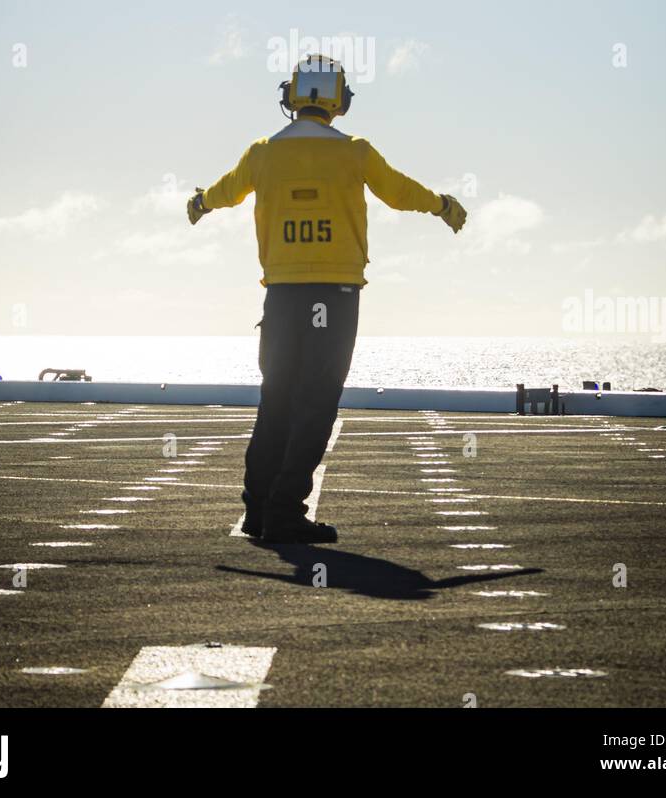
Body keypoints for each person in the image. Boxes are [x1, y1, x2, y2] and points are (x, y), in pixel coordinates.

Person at [187, 56, 467, 543]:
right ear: (340, 101)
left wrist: (199, 203)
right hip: (334, 294)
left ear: (290, 97)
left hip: (281, 293)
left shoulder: (263, 152)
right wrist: (441, 204)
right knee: (315, 403)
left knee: (275, 400)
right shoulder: (355, 152)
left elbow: (226, 193)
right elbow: (399, 193)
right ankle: (286, 512)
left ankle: (256, 511)